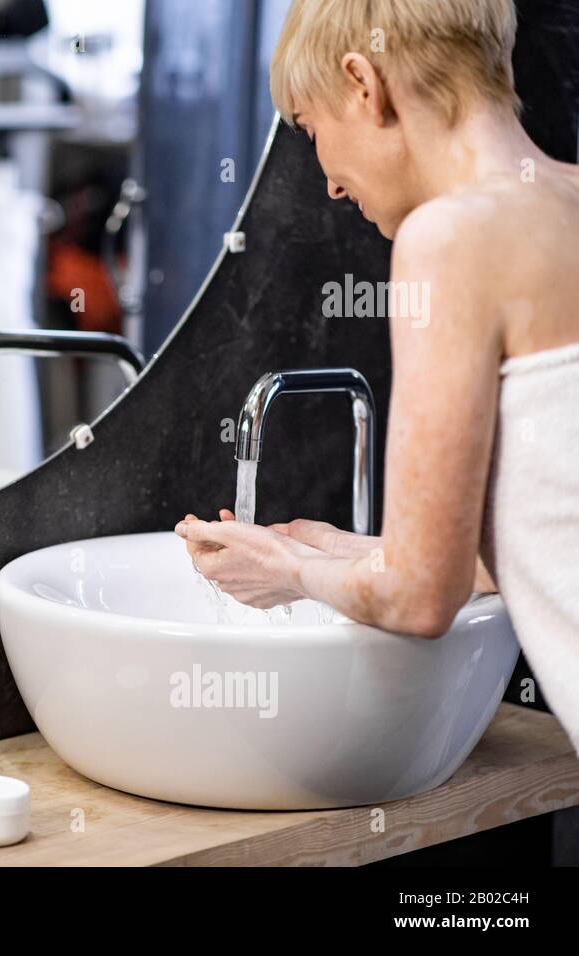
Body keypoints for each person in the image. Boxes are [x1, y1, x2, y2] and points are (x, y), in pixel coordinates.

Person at [175, 0, 579, 751]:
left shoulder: (451, 238)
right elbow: (551, 533)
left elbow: (423, 600)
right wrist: (340, 549)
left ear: (364, 83)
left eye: (309, 126)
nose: (326, 180)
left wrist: (287, 571)